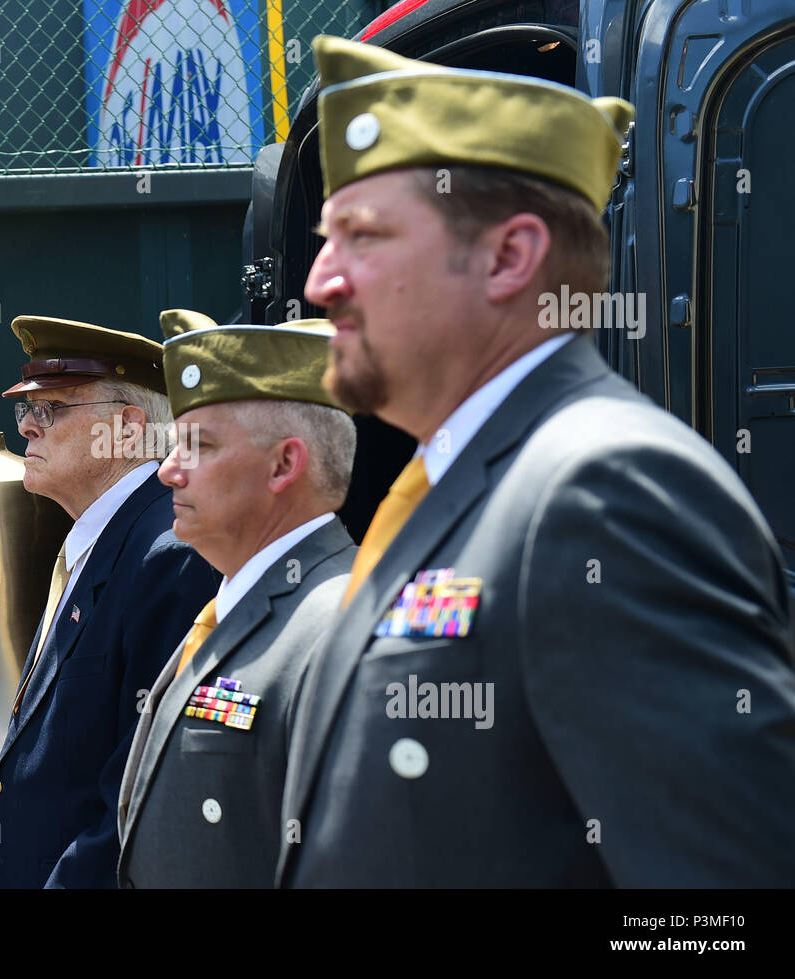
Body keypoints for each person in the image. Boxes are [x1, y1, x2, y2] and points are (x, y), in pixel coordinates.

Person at [278, 37, 795, 887]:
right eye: (325, 238)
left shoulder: (605, 492)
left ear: (511, 258)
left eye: (361, 235)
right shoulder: (459, 485)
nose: (320, 281)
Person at [116, 310, 357, 888]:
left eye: (198, 446)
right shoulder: (234, 607)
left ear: (285, 464)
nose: (168, 471)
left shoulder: (341, 627)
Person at [0, 315, 220, 888]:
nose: (28, 430)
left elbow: (147, 789)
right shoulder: (102, 539)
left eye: (51, 409)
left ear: (126, 427)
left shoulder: (169, 553)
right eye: (25, 410)